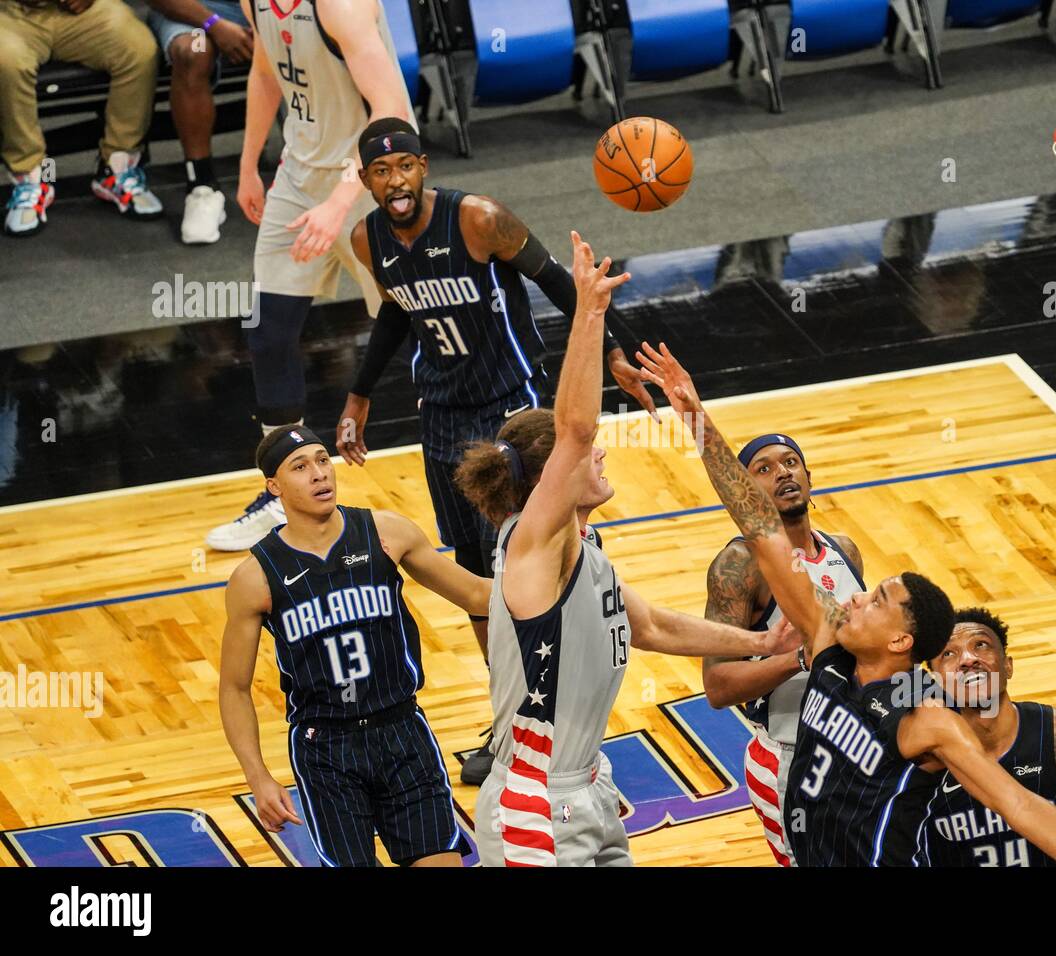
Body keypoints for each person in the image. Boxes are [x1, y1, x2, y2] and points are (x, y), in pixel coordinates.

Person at [636, 340, 1056, 867]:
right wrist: (696, 418)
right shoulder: (827, 646)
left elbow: (1020, 804)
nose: (858, 596)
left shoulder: (926, 718)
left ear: (899, 640)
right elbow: (756, 524)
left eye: (877, 599)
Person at [453, 233, 799, 866]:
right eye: (588, 454)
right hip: (535, 803)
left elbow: (650, 624)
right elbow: (577, 428)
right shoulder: (532, 546)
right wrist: (588, 314)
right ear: (549, 477)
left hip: (589, 784)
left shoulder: (583, 547)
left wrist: (760, 644)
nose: (602, 451)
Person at [332, 117, 658, 786]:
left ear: (423, 167)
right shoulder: (367, 239)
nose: (394, 182)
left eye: (404, 168)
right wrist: (359, 395)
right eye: (380, 172)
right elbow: (401, 308)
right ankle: (514, 717)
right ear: (365, 181)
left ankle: (563, 703)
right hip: (443, 418)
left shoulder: (479, 219)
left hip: (510, 408)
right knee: (479, 581)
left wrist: (615, 350)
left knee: (534, 558)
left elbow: (562, 285)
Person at [220, 424, 486, 867]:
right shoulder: (255, 577)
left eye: (323, 460)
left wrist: (559, 584)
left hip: (401, 731)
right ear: (274, 486)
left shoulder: (387, 532)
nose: (319, 474)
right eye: (300, 467)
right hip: (326, 748)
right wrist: (258, 775)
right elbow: (233, 688)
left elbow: (477, 596)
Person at [204, 0, 412, 549]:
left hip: (369, 182)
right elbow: (267, 71)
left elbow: (392, 106)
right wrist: (249, 164)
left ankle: (493, 452)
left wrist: (342, 200)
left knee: (422, 328)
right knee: (269, 332)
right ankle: (281, 494)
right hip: (298, 179)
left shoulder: (340, 5)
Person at [701, 432, 864, 866]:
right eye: (765, 469)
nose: (783, 474)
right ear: (745, 494)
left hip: (858, 746)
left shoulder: (844, 549)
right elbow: (717, 686)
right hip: (792, 758)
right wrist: (798, 659)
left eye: (791, 462)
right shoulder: (738, 567)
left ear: (809, 476)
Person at [924, 606, 1056, 865]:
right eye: (948, 653)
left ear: (1008, 666)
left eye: (980, 645)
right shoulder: (918, 756)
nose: (968, 659)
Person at [1, 0, 163, 237]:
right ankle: (31, 177)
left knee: (139, 48)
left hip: (79, 11)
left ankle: (117, 167)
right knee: (6, 61)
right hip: (10, 14)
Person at [143, 0, 255, 243]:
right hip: (193, 11)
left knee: (323, 34)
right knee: (193, 51)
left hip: (263, 8)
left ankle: (320, 175)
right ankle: (202, 186)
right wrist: (214, 25)